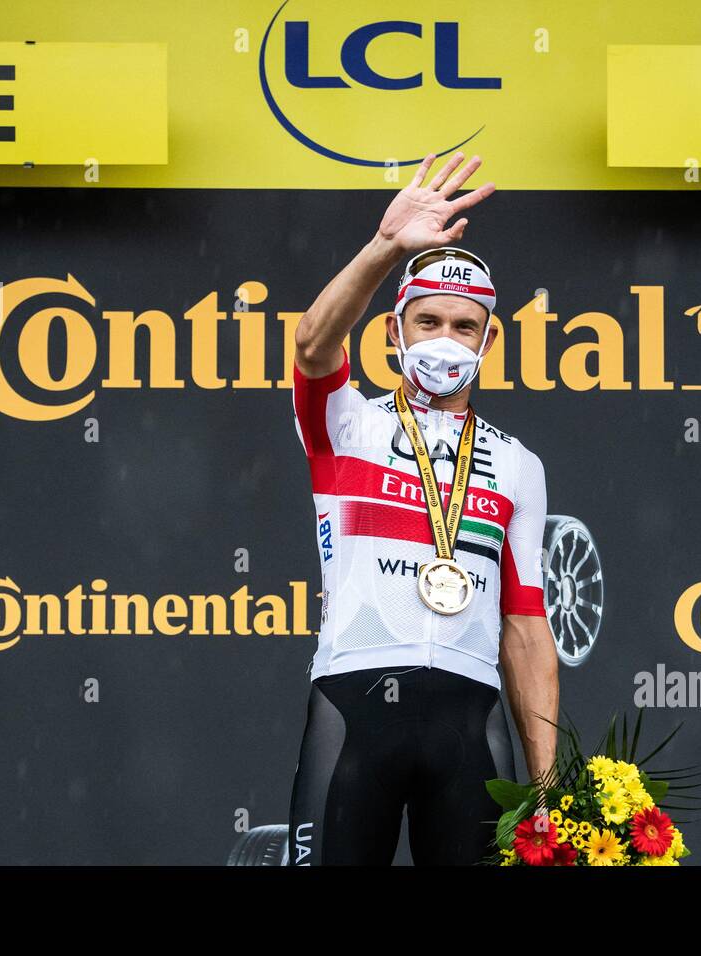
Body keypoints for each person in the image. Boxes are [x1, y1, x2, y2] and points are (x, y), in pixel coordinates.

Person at [287, 151, 559, 865]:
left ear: (489, 339)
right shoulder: (347, 425)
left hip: (471, 722)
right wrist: (385, 248)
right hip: (353, 708)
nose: (445, 338)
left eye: (464, 326)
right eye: (428, 320)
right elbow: (313, 343)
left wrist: (551, 792)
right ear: (392, 333)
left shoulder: (518, 466)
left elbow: (527, 629)